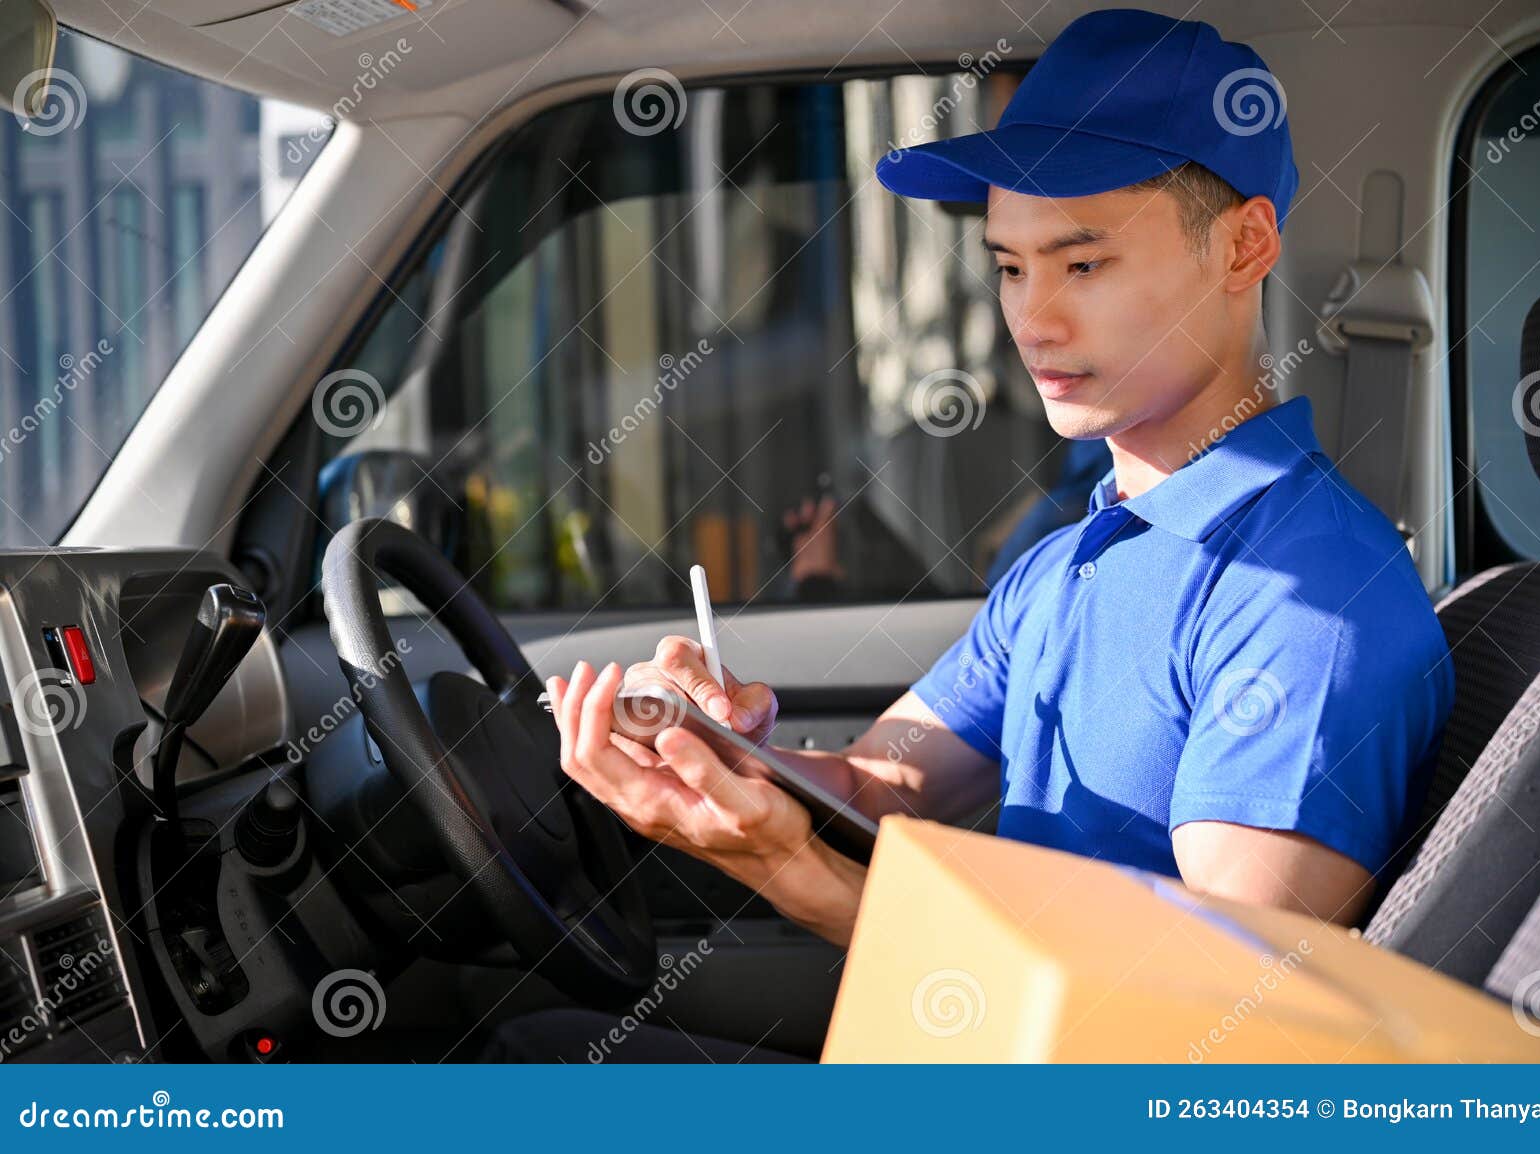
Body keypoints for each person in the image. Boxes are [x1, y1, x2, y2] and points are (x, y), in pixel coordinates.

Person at [496, 9, 1455, 1061]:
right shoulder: (1072, 553)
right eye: (1008, 265)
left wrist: (793, 874)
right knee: (530, 1039)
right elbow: (886, 785)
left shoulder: (1306, 601)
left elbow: (1201, 1037)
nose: (1031, 319)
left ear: (1245, 245)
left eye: (1081, 264)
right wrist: (720, 748)